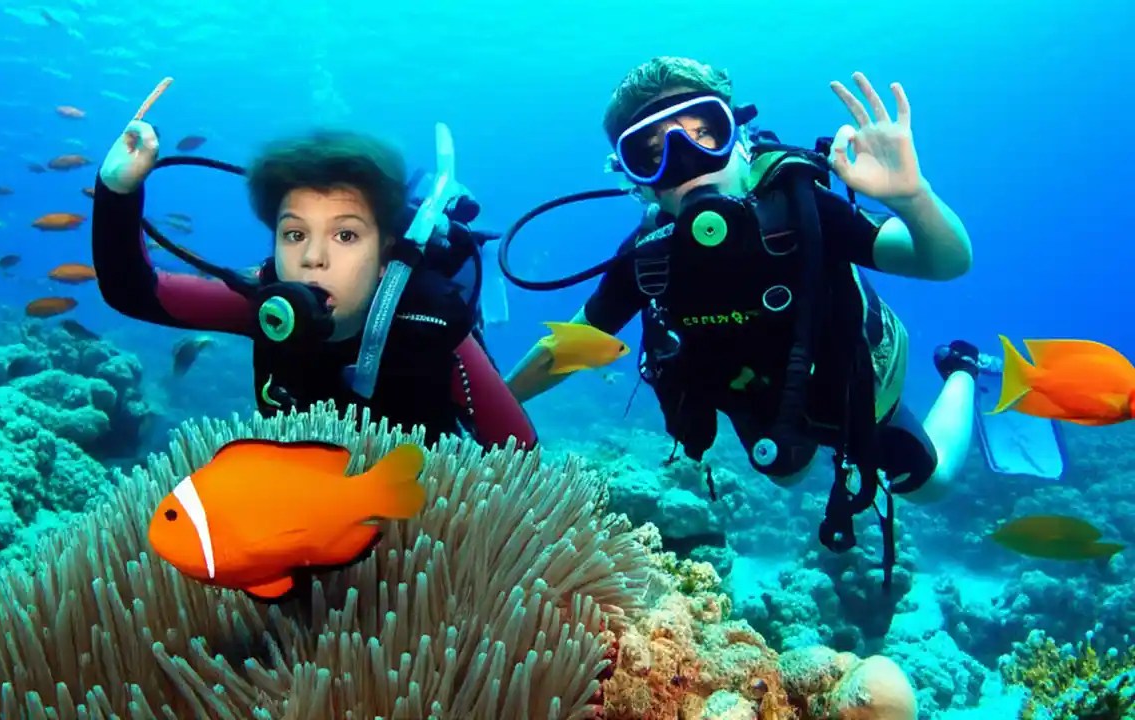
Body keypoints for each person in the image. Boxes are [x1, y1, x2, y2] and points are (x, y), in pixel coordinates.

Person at [500, 57, 980, 584]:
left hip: (857, 388)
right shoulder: (648, 258)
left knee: (930, 485)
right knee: (787, 474)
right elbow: (564, 350)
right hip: (765, 404)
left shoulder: (802, 208)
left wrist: (914, 199)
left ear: (740, 137)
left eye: (706, 134)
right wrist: (486, 406)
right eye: (654, 155)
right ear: (639, 184)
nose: (689, 166)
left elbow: (945, 261)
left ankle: (961, 369)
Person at [91, 120, 537, 450]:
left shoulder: (431, 324)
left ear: (386, 256)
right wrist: (116, 189)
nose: (312, 257)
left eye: (345, 235)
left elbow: (520, 453)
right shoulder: (265, 303)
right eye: (295, 234)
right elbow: (132, 291)